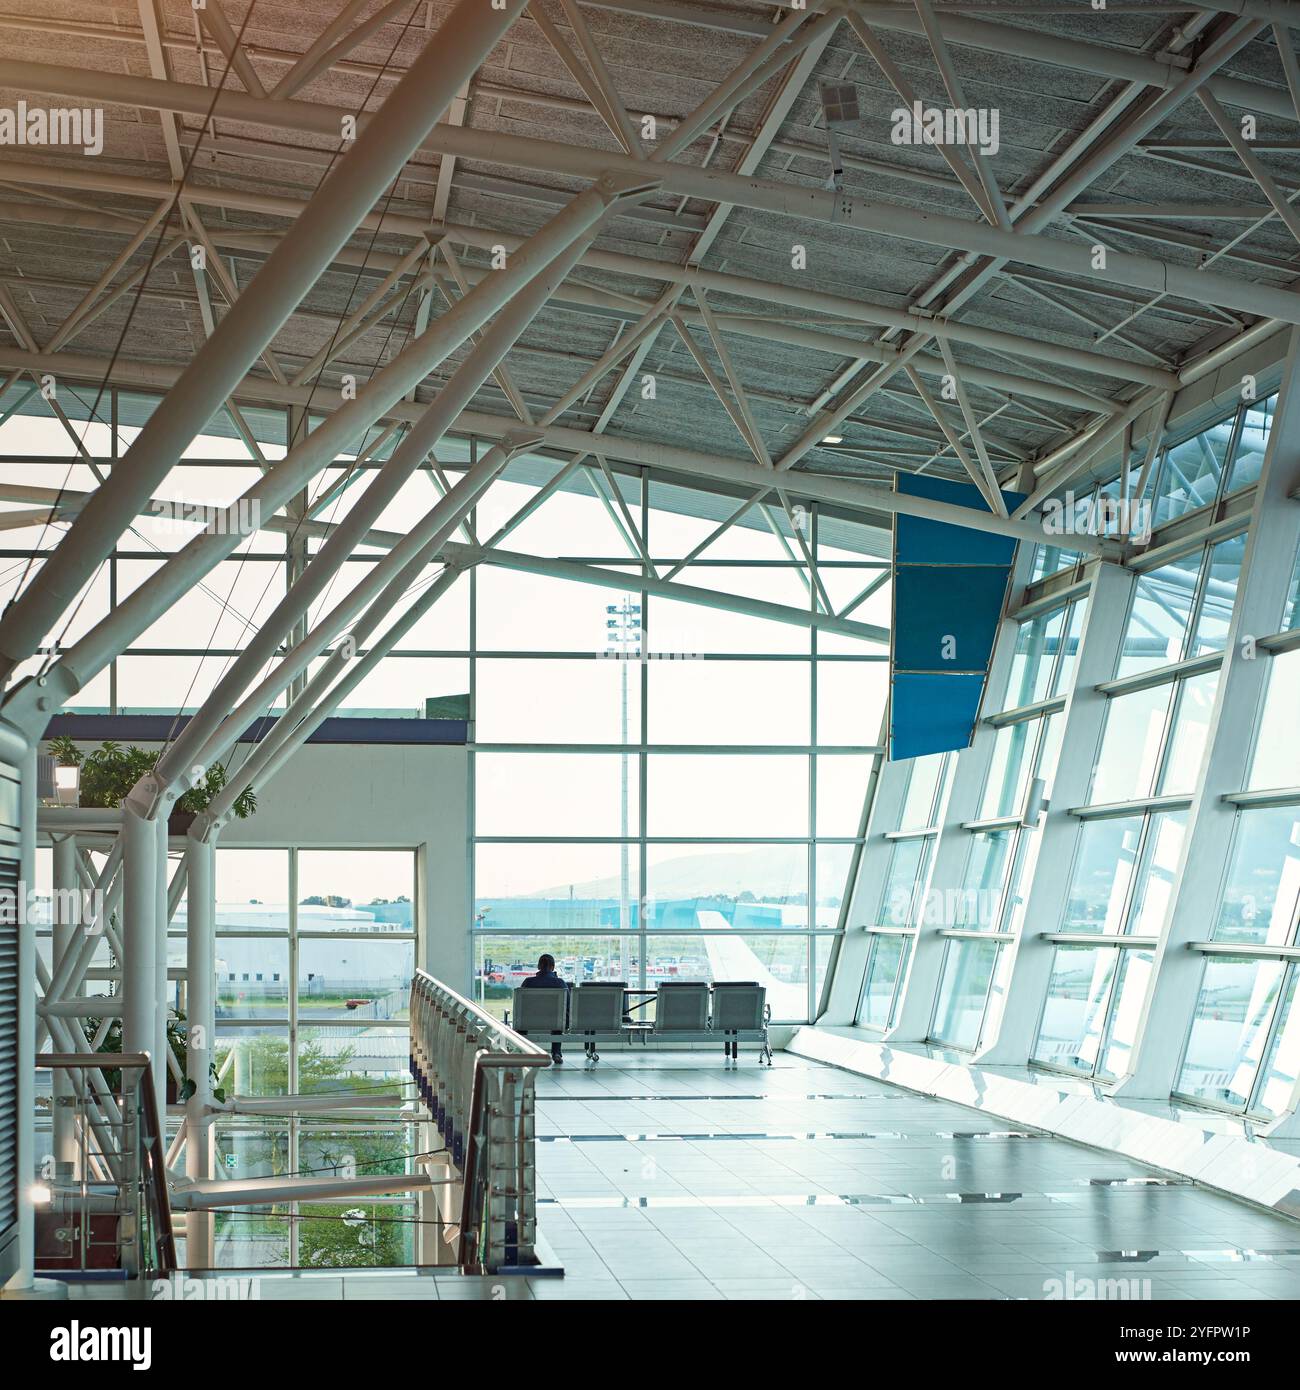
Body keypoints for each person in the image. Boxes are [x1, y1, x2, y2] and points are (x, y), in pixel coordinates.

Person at [520, 953, 568, 1063]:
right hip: (555, 1023)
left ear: (538, 966)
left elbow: (521, 1006)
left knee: (523, 1019)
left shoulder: (528, 982)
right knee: (558, 1017)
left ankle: (521, 1051)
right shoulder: (560, 983)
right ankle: (556, 1053)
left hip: (529, 1022)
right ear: (553, 967)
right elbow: (568, 1004)